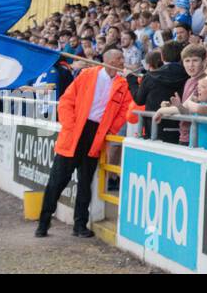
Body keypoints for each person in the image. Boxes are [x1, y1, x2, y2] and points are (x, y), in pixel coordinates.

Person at [34, 49, 133, 238]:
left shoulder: (123, 84)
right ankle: (43, 222)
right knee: (57, 181)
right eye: (119, 58)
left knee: (85, 183)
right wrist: (71, 126)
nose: (123, 62)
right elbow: (66, 101)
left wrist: (109, 130)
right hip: (74, 133)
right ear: (109, 60)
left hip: (96, 135)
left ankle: (80, 225)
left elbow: (123, 111)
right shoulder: (87, 75)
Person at [158, 70, 207, 152]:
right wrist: (178, 106)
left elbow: (200, 109)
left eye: (203, 87)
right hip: (195, 148)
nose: (199, 89)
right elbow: (186, 113)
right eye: (198, 87)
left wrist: (189, 102)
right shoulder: (200, 104)